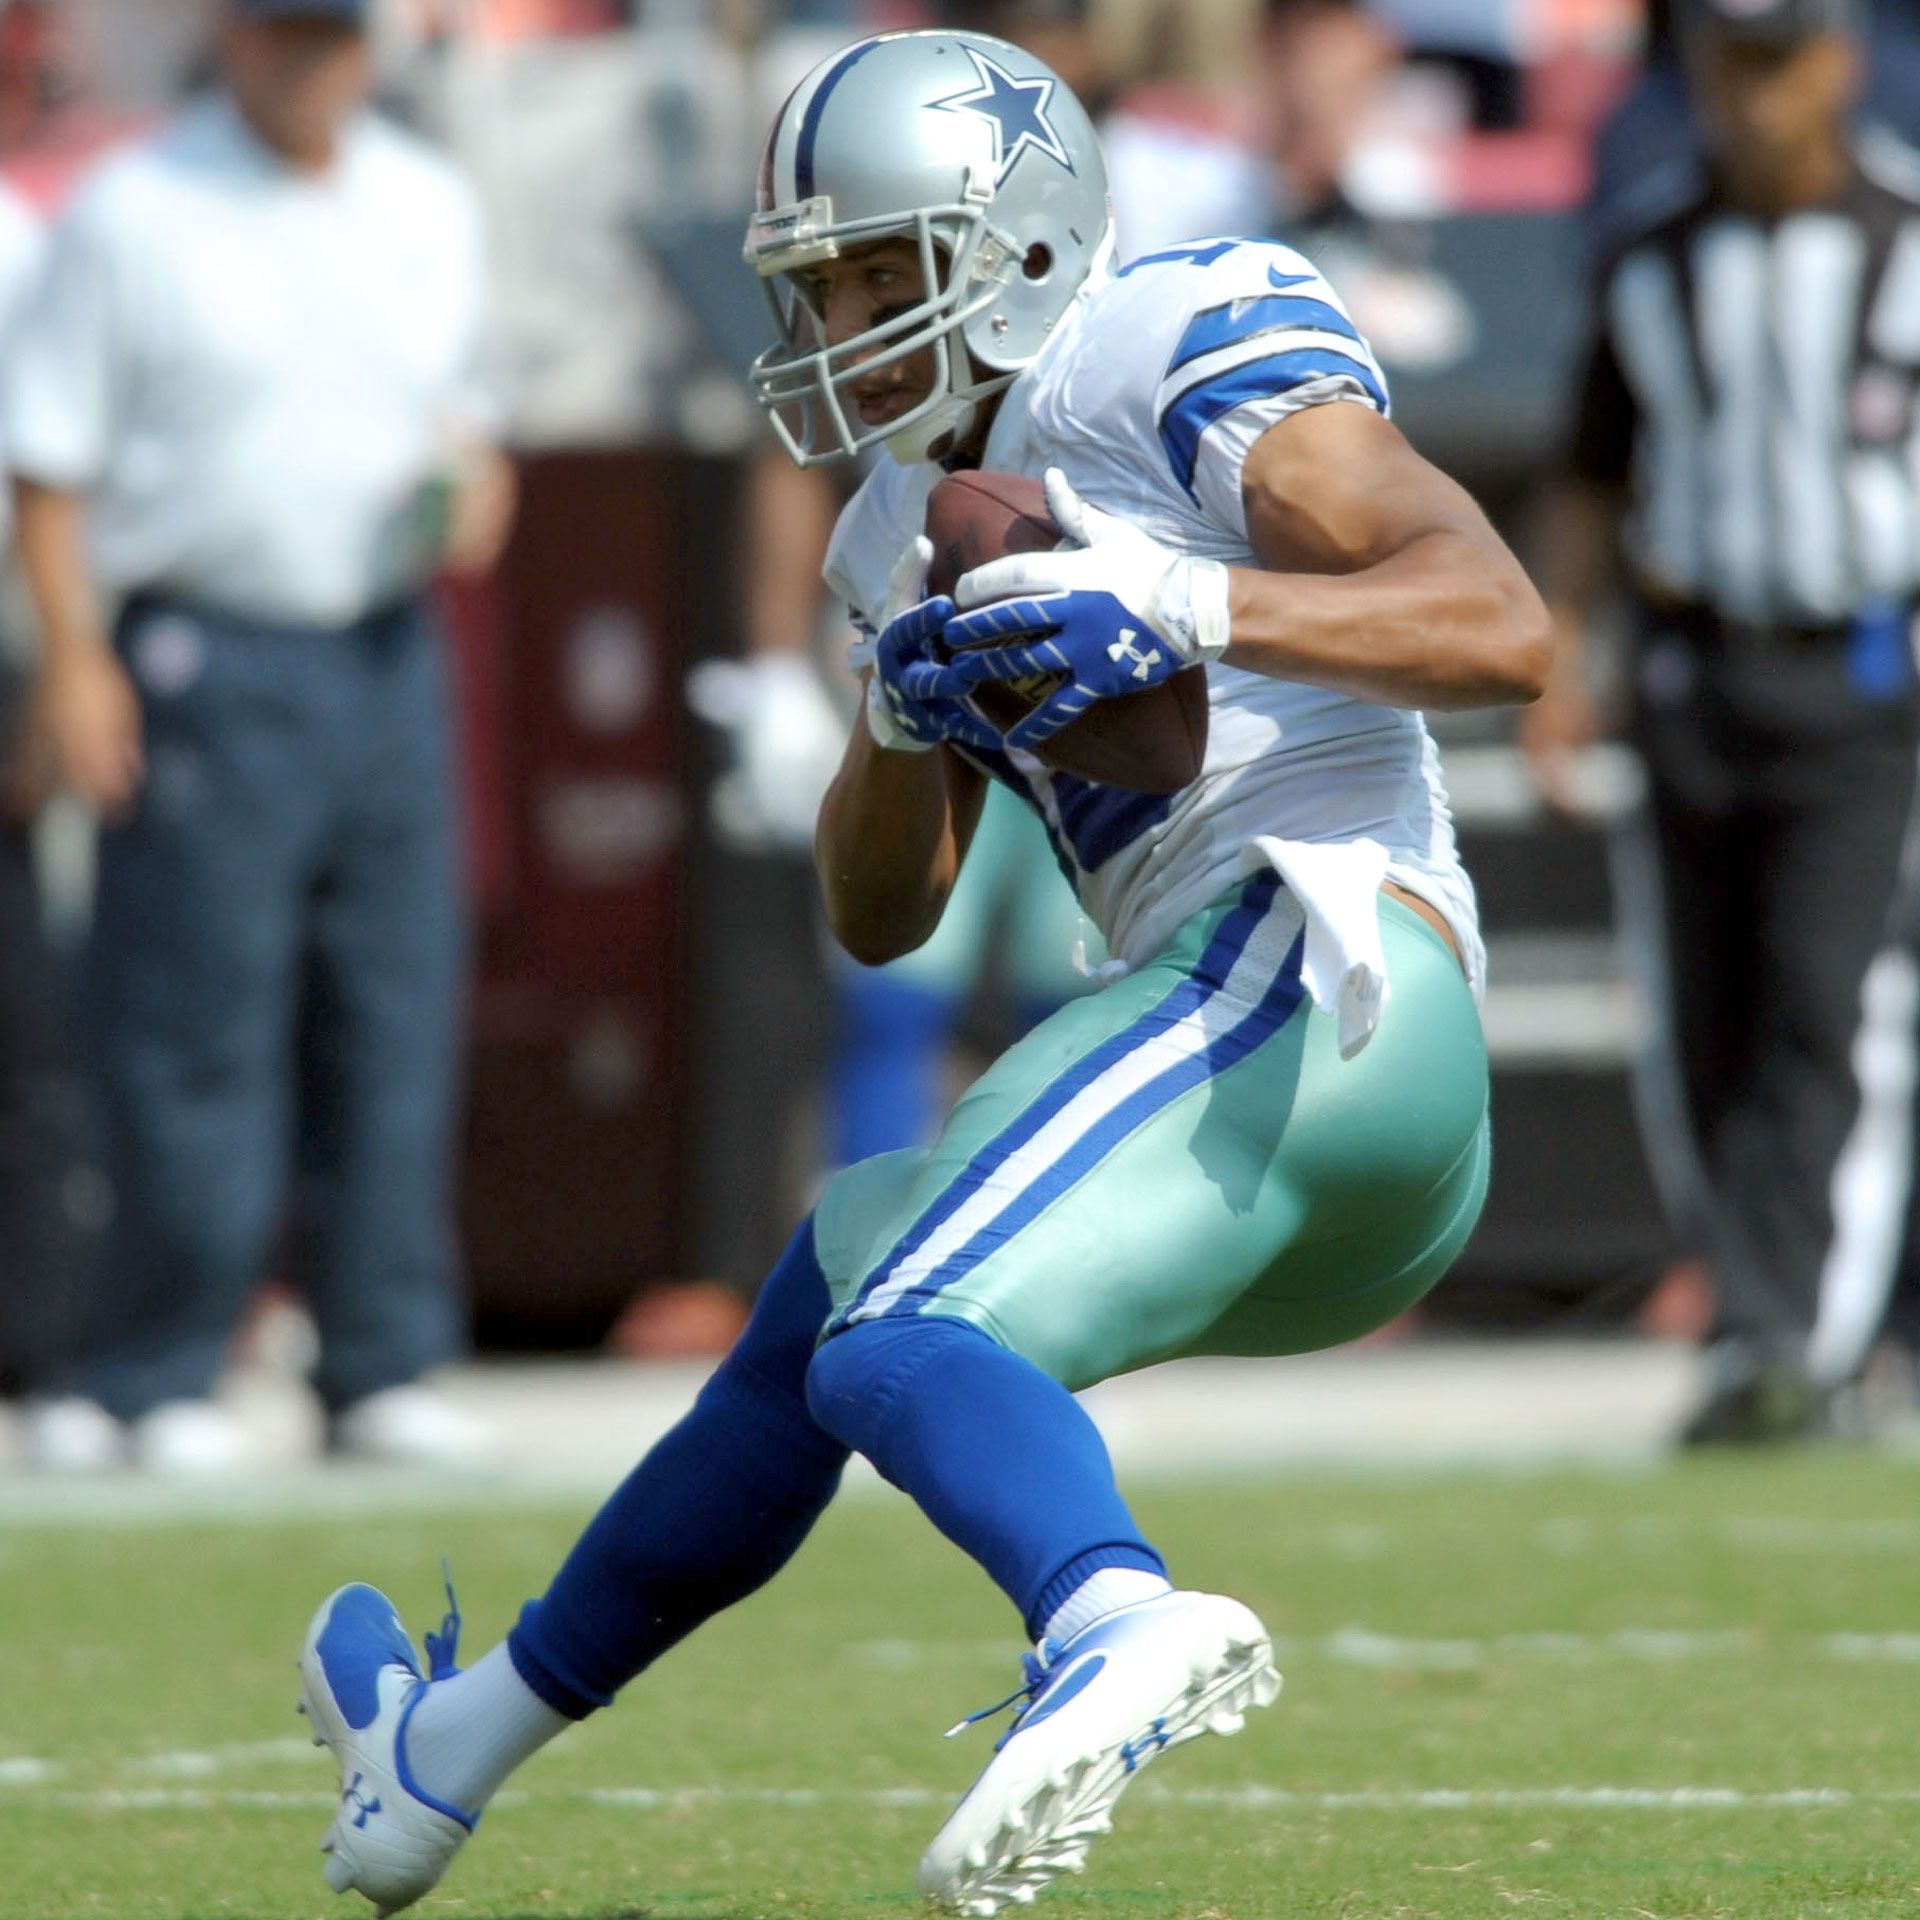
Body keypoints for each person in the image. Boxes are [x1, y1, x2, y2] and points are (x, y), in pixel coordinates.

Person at [295, 25, 1547, 1917]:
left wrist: (1183, 597)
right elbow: (881, 911)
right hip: (1280, 1118)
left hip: (1327, 962)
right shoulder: (899, 528)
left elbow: (1500, 623)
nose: (839, 323)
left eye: (880, 271)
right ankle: (448, 1753)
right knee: (835, 1294)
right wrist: (893, 708)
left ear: (1022, 240)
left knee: (908, 1332)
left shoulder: (1172, 339)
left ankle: (1111, 1617)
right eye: (814, 282)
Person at [3, 0, 515, 1473]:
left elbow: (467, 419)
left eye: (337, 37)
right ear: (232, 41)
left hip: (383, 644)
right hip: (200, 640)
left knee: (394, 1006)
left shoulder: (425, 205)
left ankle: (376, 1357)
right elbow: (48, 461)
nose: (316, 64)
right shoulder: (137, 212)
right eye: (289, 35)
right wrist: (76, 662)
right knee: (193, 1021)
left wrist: (474, 490)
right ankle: (159, 1362)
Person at [1522, 0, 1920, 1443]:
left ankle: (1798, 1342)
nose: (1750, 98)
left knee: (1833, 1006)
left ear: (1841, 62)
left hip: (1869, 673)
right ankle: (1754, 1320)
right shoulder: (1649, 255)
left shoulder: (1908, 244)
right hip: (1691, 672)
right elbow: (1589, 470)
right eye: (1726, 65)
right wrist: (1566, 652)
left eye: (1778, 62)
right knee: (1703, 1016)